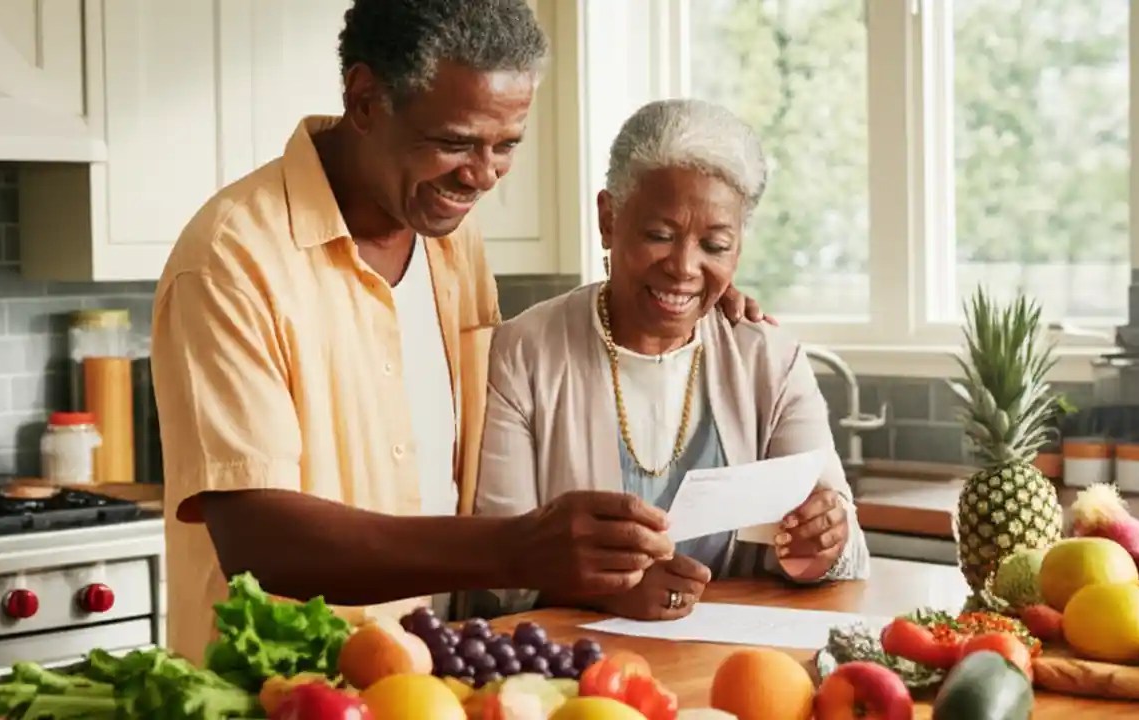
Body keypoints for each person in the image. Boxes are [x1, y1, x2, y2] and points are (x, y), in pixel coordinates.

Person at [150, 0, 769, 664]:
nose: (481, 175)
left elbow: (507, 401)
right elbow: (258, 538)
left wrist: (680, 291)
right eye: (452, 142)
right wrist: (518, 548)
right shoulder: (231, 258)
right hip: (280, 690)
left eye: (505, 145)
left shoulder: (450, 241)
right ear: (365, 100)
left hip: (427, 679)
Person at [472, 98, 872, 621]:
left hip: (738, 669)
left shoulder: (769, 359)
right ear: (609, 219)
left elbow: (850, 552)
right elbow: (499, 576)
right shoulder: (525, 354)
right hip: (587, 677)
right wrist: (604, 591)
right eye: (659, 235)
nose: (684, 267)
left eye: (715, 244)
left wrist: (825, 542)